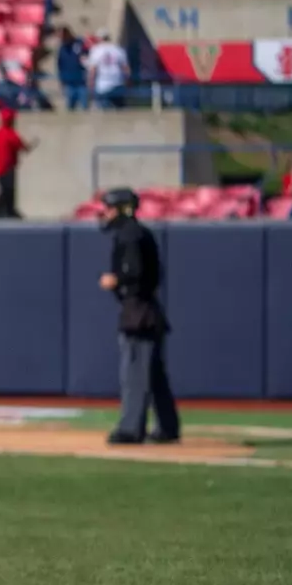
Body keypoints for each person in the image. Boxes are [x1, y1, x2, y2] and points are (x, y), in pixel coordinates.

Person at [99, 188, 180, 446]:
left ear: (123, 209)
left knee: (135, 372)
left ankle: (131, 428)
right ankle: (167, 426)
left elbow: (135, 271)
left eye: (110, 208)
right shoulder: (139, 233)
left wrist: (116, 280)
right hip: (146, 310)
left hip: (138, 312)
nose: (105, 214)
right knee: (154, 373)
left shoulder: (130, 234)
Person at [0, 108, 33, 219]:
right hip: (7, 167)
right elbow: (22, 146)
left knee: (6, 189)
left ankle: (8, 210)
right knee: (8, 190)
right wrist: (28, 147)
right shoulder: (10, 134)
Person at [86, 30, 129, 110]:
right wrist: (127, 82)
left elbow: (93, 69)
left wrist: (90, 83)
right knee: (120, 111)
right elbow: (125, 69)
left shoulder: (96, 50)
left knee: (104, 112)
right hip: (117, 83)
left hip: (102, 86)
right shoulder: (118, 49)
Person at [57, 28, 88, 110]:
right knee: (70, 108)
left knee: (84, 107)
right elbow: (60, 65)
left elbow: (86, 58)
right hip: (69, 82)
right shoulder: (62, 48)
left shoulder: (79, 44)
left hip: (81, 81)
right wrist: (62, 80)